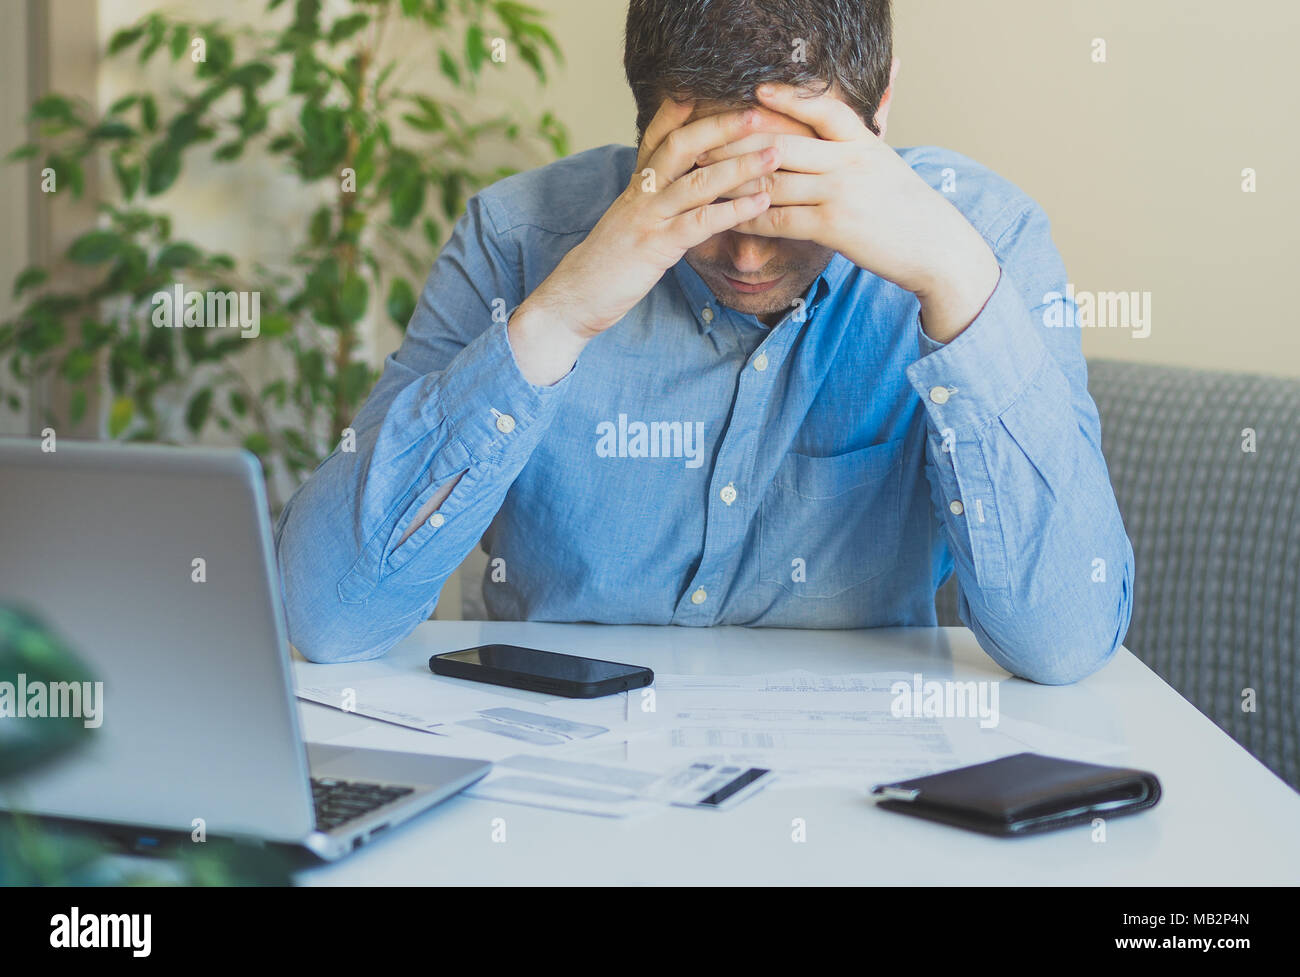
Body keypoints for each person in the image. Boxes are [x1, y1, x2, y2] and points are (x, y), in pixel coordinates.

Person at [275, 0, 1134, 683]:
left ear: (880, 111)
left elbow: (1063, 642)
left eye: (794, 187)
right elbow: (326, 616)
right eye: (702, 186)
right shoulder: (518, 238)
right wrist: (559, 314)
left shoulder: (984, 243)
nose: (749, 250)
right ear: (643, 121)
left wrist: (954, 283)